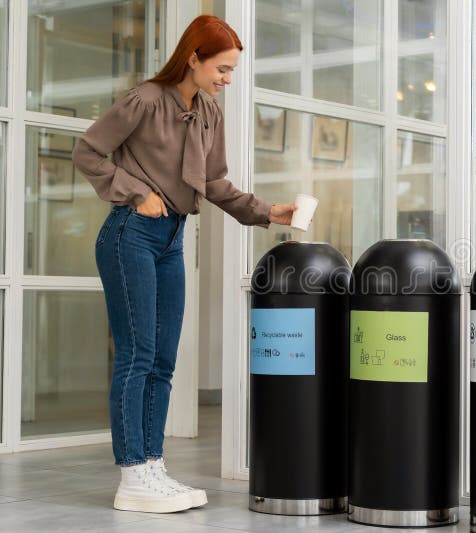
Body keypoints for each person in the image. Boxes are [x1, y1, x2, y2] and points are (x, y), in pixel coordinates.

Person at [72, 15, 295, 514]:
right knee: (137, 354)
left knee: (165, 359)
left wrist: (268, 212)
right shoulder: (145, 101)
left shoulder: (209, 112)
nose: (226, 79)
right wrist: (136, 193)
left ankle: (151, 464)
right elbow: (87, 152)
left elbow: (214, 183)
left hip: (172, 239)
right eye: (222, 68)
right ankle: (131, 475)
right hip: (130, 234)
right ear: (192, 57)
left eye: (232, 71)